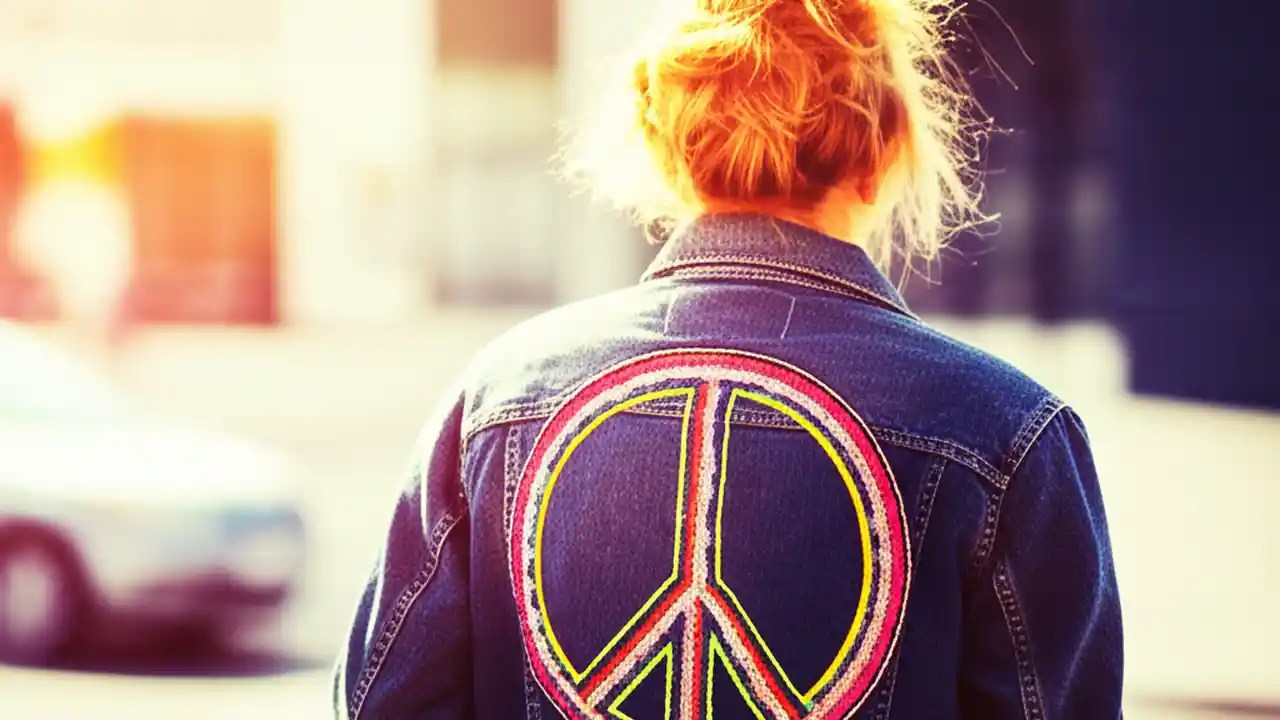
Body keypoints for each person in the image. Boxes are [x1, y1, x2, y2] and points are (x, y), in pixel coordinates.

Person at [334, 1, 1123, 717]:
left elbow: (386, 702)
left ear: (665, 152)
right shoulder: (1006, 435)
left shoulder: (497, 401)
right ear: (881, 155)